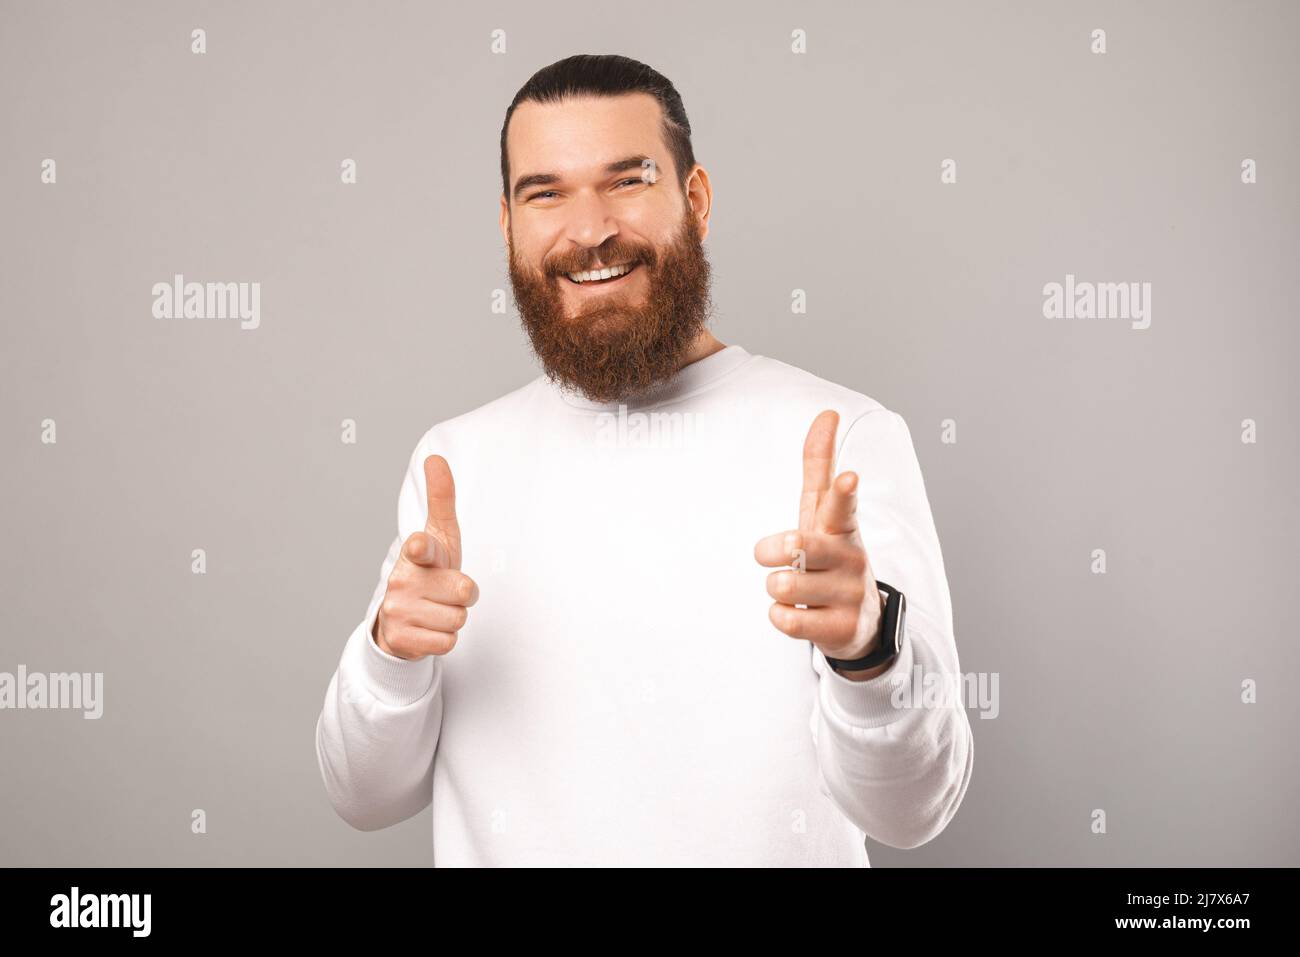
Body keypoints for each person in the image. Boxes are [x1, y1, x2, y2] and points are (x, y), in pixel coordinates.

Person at [315, 53, 973, 866]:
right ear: (508, 225)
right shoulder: (456, 462)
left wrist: (868, 650)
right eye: (545, 193)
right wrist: (390, 656)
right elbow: (364, 795)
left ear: (694, 200)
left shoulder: (843, 437)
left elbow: (914, 811)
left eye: (627, 181)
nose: (589, 229)